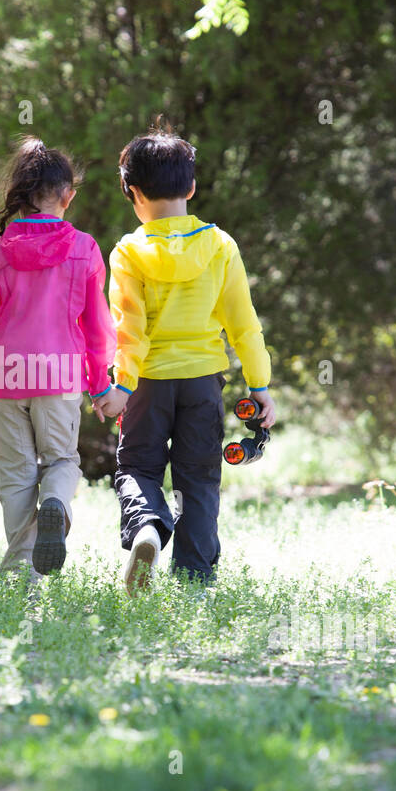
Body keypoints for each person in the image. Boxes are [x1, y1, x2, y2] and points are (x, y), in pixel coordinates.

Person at [95, 127, 276, 592]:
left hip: (148, 384)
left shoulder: (129, 251)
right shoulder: (220, 246)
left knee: (138, 467)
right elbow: (244, 324)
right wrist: (259, 386)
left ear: (133, 193)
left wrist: (121, 386)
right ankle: (195, 577)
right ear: (191, 188)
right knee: (198, 478)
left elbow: (128, 330)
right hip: (202, 382)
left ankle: (148, 528)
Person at [0, 137, 116, 578]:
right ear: (67, 195)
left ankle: (19, 576)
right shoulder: (84, 249)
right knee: (61, 463)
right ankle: (55, 504)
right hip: (60, 376)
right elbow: (96, 325)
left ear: (22, 193)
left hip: (7, 377)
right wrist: (100, 382)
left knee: (14, 477)